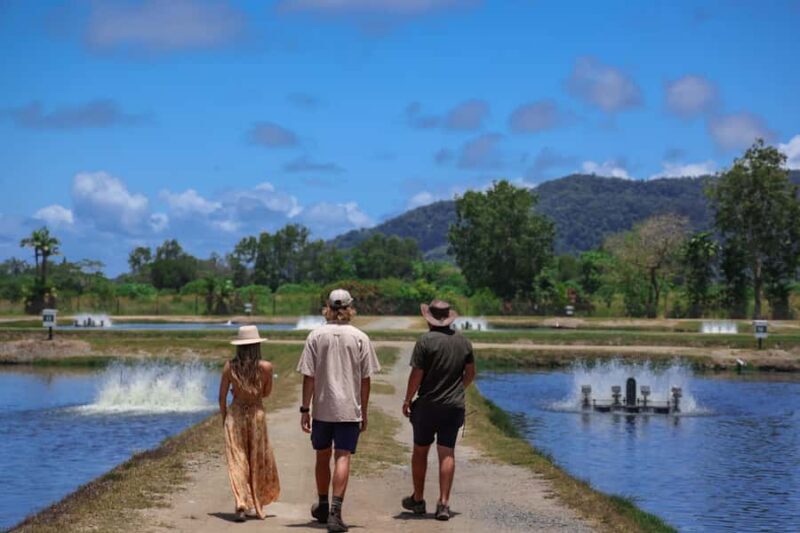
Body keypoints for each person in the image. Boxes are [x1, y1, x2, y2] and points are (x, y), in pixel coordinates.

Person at [297, 289, 381, 533]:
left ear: (328, 308)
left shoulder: (315, 336)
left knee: (322, 456)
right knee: (342, 456)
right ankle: (335, 512)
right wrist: (364, 411)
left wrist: (305, 409)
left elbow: (309, 376)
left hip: (322, 409)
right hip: (348, 409)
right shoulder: (360, 337)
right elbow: (365, 380)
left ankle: (323, 504)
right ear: (350, 308)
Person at [401, 299, 476, 521]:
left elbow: (417, 374)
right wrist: (457, 390)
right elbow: (470, 373)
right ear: (448, 319)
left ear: (429, 319)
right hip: (453, 407)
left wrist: (407, 399)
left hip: (427, 405)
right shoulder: (463, 342)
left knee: (420, 450)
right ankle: (443, 503)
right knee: (447, 452)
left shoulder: (425, 341)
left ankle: (418, 498)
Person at [218, 325, 280, 522]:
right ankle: (256, 503)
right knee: (256, 459)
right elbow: (266, 393)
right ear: (257, 345)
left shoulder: (229, 367)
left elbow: (221, 398)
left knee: (237, 460)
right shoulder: (266, 367)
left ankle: (241, 503)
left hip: (235, 415)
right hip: (256, 415)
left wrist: (224, 418)